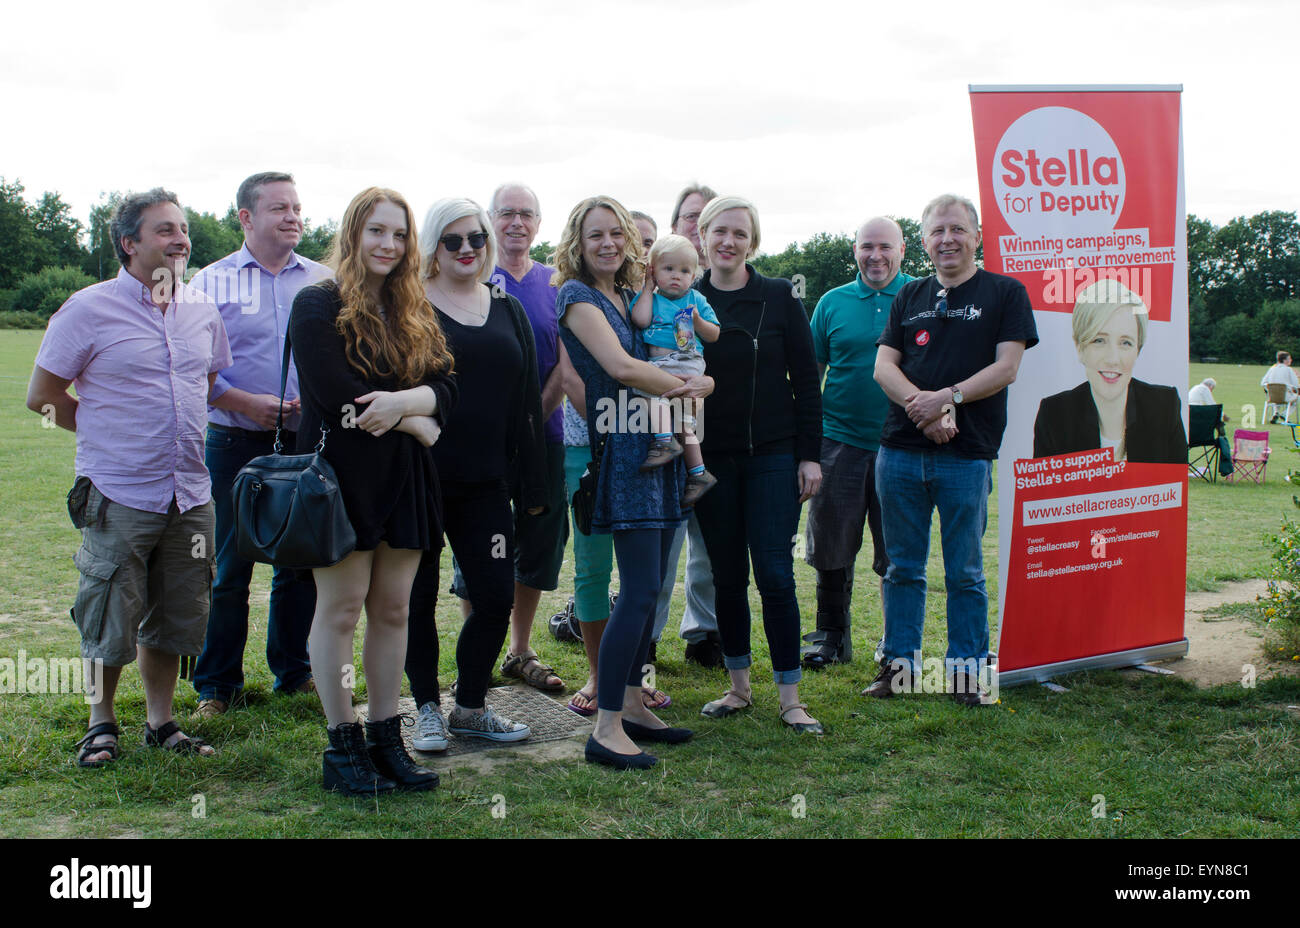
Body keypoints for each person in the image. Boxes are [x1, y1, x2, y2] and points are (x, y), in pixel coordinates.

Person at [27, 188, 231, 765]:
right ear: (129, 243)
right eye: (165, 229)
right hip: (118, 493)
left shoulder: (202, 310)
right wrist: (103, 437)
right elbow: (41, 397)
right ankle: (100, 724)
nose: (181, 239)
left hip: (191, 493)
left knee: (177, 613)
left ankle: (161, 722)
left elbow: (208, 387)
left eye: (184, 228)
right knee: (108, 611)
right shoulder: (87, 309)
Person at [289, 187, 455, 794]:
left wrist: (405, 403)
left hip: (404, 481)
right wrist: (418, 418)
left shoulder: (414, 309)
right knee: (339, 610)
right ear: (353, 233)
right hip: (341, 481)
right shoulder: (317, 303)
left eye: (400, 233)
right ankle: (343, 749)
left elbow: (449, 391)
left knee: (393, 610)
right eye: (377, 231)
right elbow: (339, 399)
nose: (389, 244)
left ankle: (388, 740)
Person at [555, 195, 712, 769]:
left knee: (647, 590)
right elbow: (620, 369)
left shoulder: (626, 295)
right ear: (578, 241)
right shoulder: (576, 296)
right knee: (641, 587)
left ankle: (633, 707)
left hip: (657, 441)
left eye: (616, 234)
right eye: (594, 234)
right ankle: (606, 727)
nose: (607, 244)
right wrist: (693, 388)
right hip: (625, 450)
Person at [869, 193, 1038, 706]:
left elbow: (1007, 367)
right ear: (923, 242)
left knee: (964, 569)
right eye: (938, 231)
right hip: (899, 452)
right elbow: (883, 367)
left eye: (957, 230)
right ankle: (900, 667)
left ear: (977, 235)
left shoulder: (1006, 293)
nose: (948, 239)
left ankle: (966, 671)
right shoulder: (910, 295)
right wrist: (926, 408)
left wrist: (949, 398)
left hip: (967, 456)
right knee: (902, 567)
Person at [403, 197, 545, 752]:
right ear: (432, 249)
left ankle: (468, 706)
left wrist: (531, 483)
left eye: (476, 239)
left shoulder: (506, 308)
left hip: (488, 482)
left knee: (492, 595)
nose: (467, 249)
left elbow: (528, 399)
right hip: (419, 477)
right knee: (416, 597)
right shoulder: (411, 307)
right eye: (453, 240)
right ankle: (425, 708)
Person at [190, 171, 328, 717]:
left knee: (299, 562)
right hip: (233, 441)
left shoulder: (323, 281)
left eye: (297, 207)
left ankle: (293, 673)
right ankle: (216, 686)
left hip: (304, 443)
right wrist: (248, 403)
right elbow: (191, 366)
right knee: (229, 568)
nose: (293, 217)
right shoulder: (210, 282)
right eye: (279, 208)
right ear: (246, 217)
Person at [691, 195, 825, 734]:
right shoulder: (684, 297)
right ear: (702, 235)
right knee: (726, 576)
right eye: (719, 231)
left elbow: (807, 380)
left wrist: (810, 455)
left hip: (774, 453)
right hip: (711, 458)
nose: (728, 241)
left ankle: (790, 697)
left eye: (739, 233)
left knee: (774, 574)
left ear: (753, 241)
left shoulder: (778, 297)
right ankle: (738, 687)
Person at [472, 182, 570, 696]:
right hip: (480, 440)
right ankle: (478, 653)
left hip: (546, 437)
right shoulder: (467, 274)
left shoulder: (557, 282)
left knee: (537, 544)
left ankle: (519, 649)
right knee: (480, 545)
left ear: (538, 222)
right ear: (490, 219)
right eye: (506, 213)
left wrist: (532, 421)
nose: (516, 222)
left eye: (526, 214)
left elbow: (567, 360)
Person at [801, 217, 912, 669]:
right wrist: (808, 446)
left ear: (902, 249)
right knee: (830, 543)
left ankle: (896, 644)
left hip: (902, 444)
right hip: (838, 442)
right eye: (867, 246)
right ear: (855, 250)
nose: (876, 255)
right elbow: (811, 377)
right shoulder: (832, 302)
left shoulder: (920, 298)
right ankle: (831, 638)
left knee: (898, 550)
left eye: (885, 246)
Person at [1033, 278, 1187, 464]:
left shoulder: (1164, 406)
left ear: (1138, 350)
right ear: (1080, 347)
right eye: (1099, 340)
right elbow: (1045, 492)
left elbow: (1176, 488)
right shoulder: (1055, 414)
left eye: (1125, 343)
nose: (1113, 359)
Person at [669, 182, 723, 668]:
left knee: (706, 542)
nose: (700, 228)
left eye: (710, 218)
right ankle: (642, 634)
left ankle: (703, 632)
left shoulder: (719, 289)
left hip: (713, 434)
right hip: (657, 422)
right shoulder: (658, 287)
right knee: (658, 543)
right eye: (692, 218)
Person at [629, 233, 720, 504]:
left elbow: (714, 334)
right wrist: (646, 289)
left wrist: (697, 321)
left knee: (648, 390)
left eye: (684, 271)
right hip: (660, 363)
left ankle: (664, 440)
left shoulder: (697, 300)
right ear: (654, 271)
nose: (676, 276)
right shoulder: (652, 299)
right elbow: (641, 320)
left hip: (686, 360)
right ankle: (698, 472)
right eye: (669, 269)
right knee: (686, 425)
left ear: (694, 274)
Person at [1261, 351, 1299, 423]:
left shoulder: (1272, 369)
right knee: (1297, 398)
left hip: (1272, 397)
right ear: (1284, 360)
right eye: (1289, 358)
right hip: (1285, 396)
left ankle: (1276, 413)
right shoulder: (1289, 370)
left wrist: (1269, 389)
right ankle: (1284, 414)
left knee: (1276, 397)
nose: (1291, 360)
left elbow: (1263, 383)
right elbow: (1296, 385)